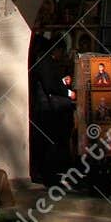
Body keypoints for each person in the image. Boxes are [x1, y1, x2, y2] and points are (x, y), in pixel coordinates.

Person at [29, 37, 77, 185]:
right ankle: (47, 175)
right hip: (46, 109)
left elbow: (49, 82)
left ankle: (44, 173)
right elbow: (50, 85)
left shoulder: (43, 61)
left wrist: (62, 82)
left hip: (43, 107)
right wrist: (68, 93)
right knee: (48, 142)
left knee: (44, 142)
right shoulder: (45, 62)